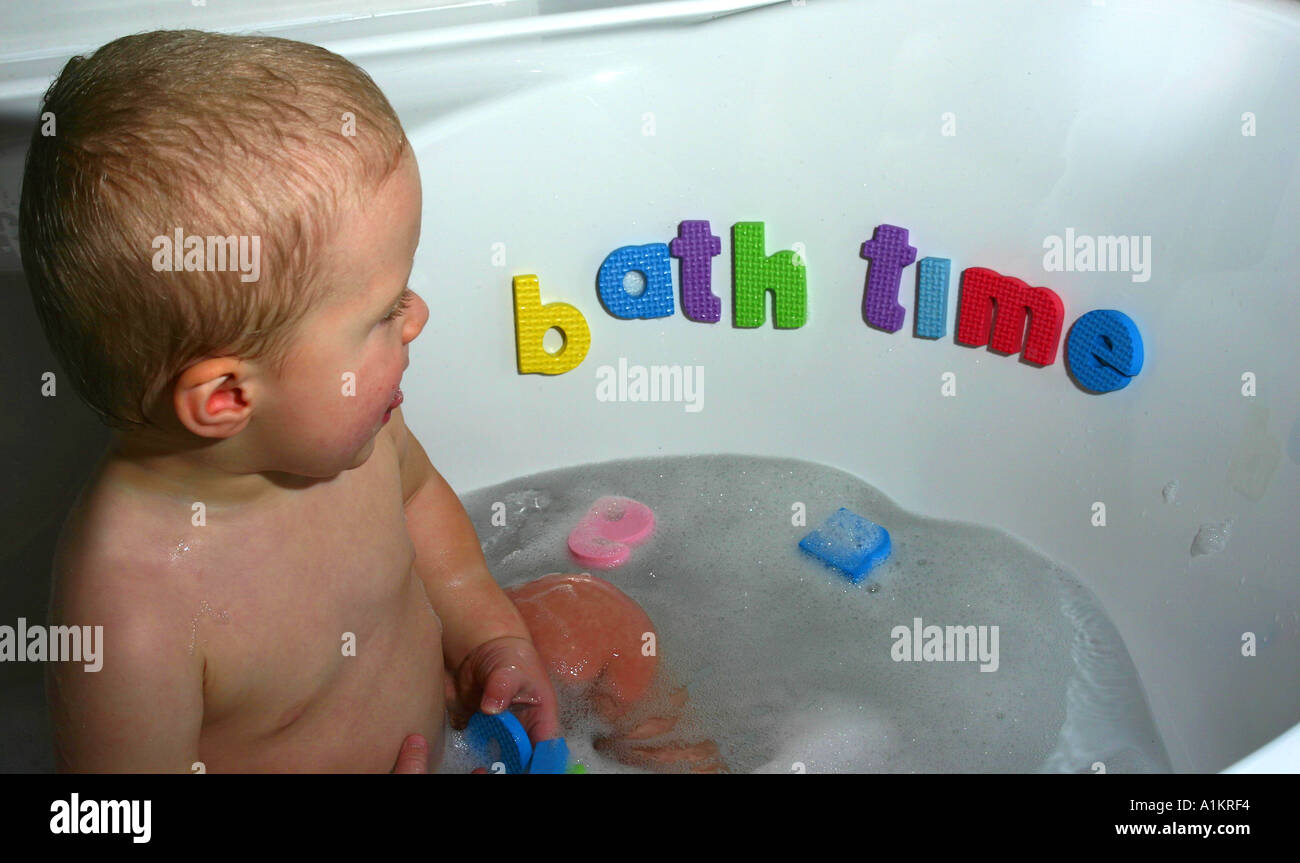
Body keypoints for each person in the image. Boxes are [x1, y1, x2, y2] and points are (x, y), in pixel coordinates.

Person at [24, 30, 718, 773]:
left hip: (458, 727)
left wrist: (491, 642)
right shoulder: (133, 608)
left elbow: (430, 526)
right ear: (228, 396)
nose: (418, 318)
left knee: (592, 613)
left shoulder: (354, 428)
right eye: (385, 311)